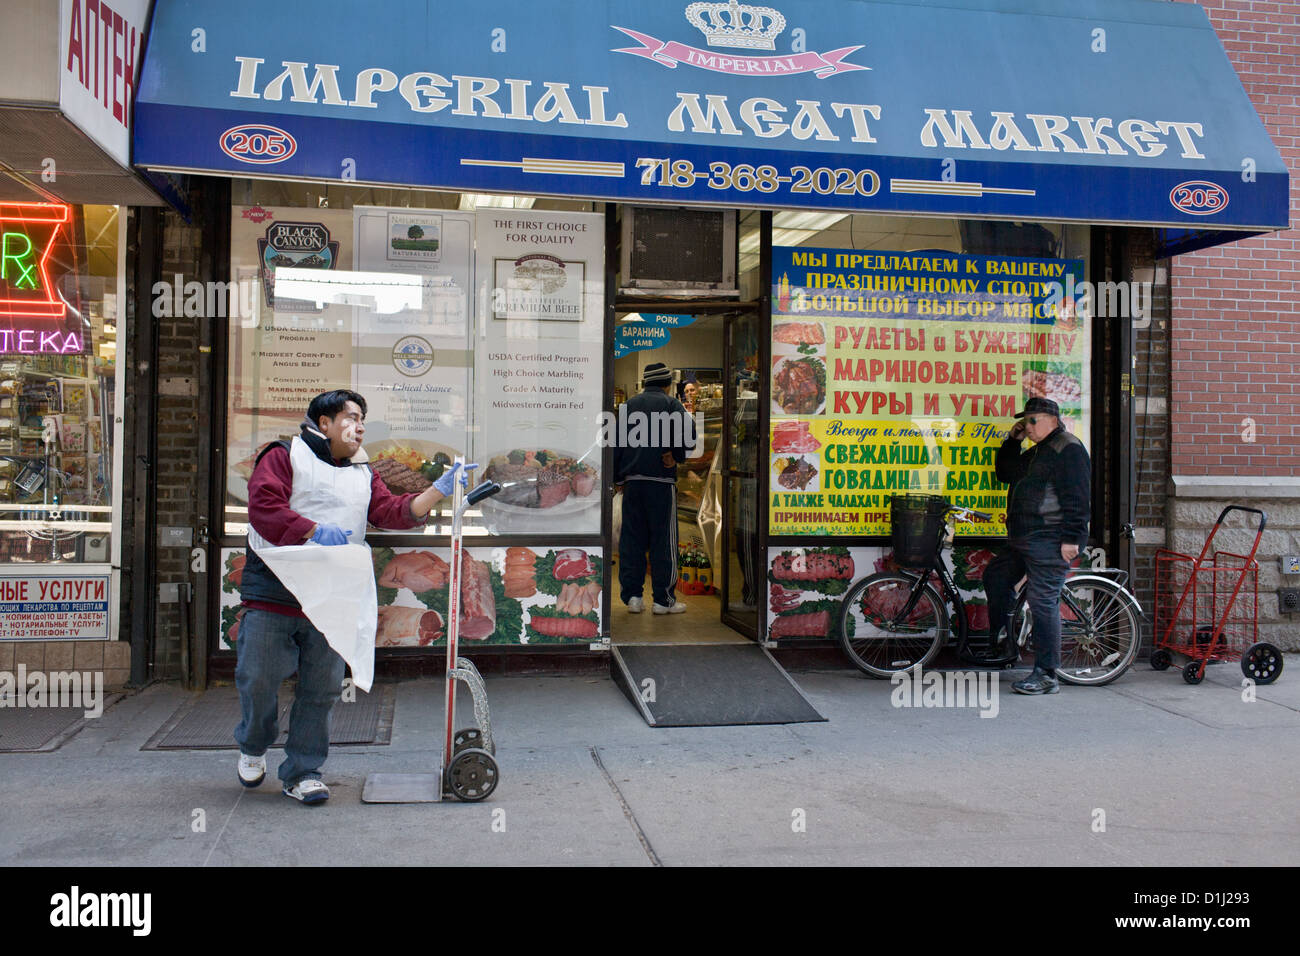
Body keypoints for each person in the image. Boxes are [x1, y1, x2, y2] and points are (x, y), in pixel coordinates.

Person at [236, 389, 472, 804]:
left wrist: (437, 489)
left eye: (363, 418)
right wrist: (311, 530)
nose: (360, 426)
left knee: (321, 687)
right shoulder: (282, 455)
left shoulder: (365, 471)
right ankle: (253, 744)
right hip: (276, 590)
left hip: (332, 596)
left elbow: (391, 511)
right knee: (259, 678)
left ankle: (303, 772)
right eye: (351, 417)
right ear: (323, 423)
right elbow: (264, 507)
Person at [982, 396, 1091, 695]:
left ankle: (1046, 674)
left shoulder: (1067, 448)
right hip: (1025, 540)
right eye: (1025, 421)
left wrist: (1073, 538)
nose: (1028, 426)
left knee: (1042, 601)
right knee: (995, 577)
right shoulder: (1038, 451)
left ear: (1052, 420)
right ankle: (1005, 643)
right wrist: (1012, 440)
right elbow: (1005, 473)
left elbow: (1078, 497)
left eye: (1033, 420)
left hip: (1050, 539)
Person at [613, 362, 696, 614]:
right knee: (664, 542)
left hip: (632, 485)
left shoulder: (627, 407)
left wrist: (617, 480)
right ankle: (663, 600)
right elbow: (690, 435)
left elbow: (615, 445)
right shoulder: (672, 405)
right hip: (661, 484)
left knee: (632, 540)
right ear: (667, 384)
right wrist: (677, 455)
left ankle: (633, 598)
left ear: (645, 382)